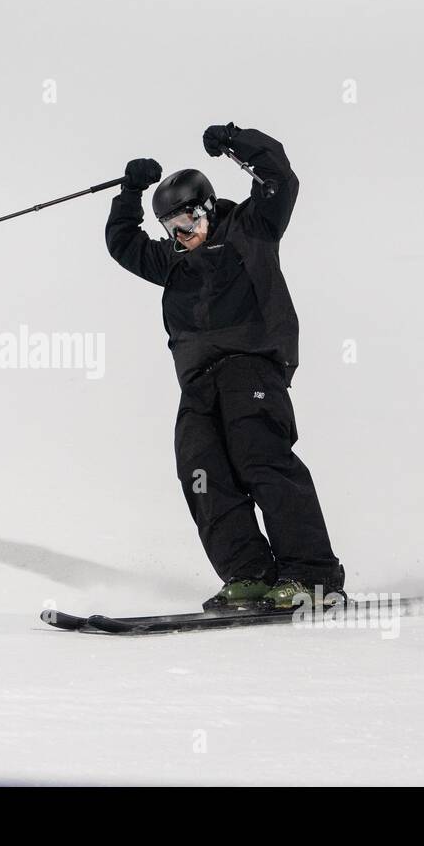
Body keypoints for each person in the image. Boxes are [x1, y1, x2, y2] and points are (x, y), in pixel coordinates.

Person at [105, 123, 345, 610]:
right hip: (197, 381)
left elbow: (280, 176)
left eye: (188, 220)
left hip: (252, 365)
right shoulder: (170, 260)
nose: (183, 233)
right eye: (172, 227)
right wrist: (130, 191)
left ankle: (312, 575)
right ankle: (249, 572)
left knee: (261, 459)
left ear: (208, 207)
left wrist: (236, 141)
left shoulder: (252, 229)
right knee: (200, 471)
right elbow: (122, 244)